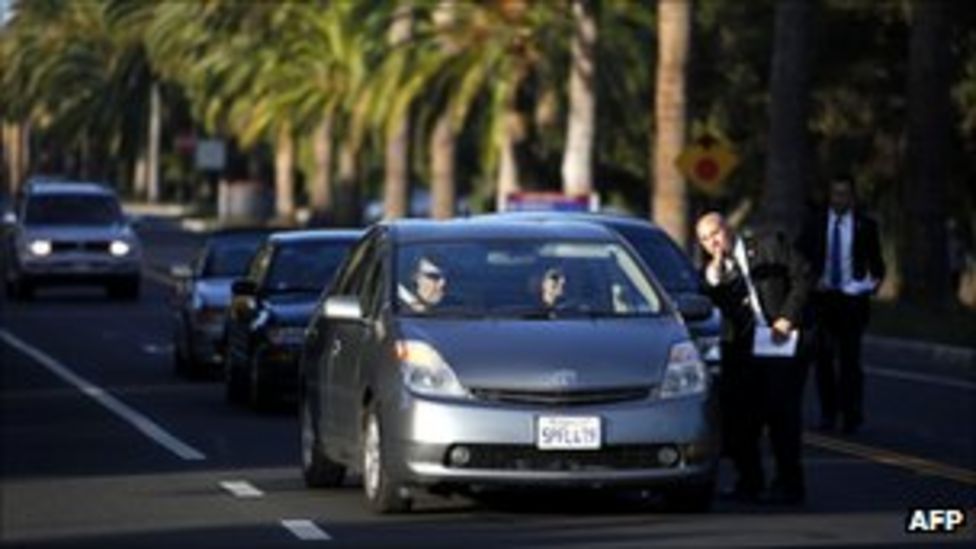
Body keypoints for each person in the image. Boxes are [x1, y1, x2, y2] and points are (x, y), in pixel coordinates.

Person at [695, 212, 812, 505]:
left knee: (782, 416)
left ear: (728, 229)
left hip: (781, 342)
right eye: (706, 239)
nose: (714, 242)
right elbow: (711, 293)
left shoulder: (769, 245)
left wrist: (787, 317)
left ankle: (789, 484)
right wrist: (717, 270)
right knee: (741, 418)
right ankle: (749, 481)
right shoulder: (713, 270)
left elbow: (804, 275)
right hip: (743, 351)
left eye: (716, 233)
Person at [797, 175, 886, 434]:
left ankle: (851, 415)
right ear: (829, 196)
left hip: (852, 300)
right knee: (823, 360)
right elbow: (798, 255)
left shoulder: (864, 226)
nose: (840, 200)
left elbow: (877, 262)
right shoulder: (815, 224)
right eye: (836, 194)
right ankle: (828, 413)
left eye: (845, 194)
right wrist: (811, 282)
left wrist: (874, 282)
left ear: (852, 197)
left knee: (850, 361)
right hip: (822, 299)